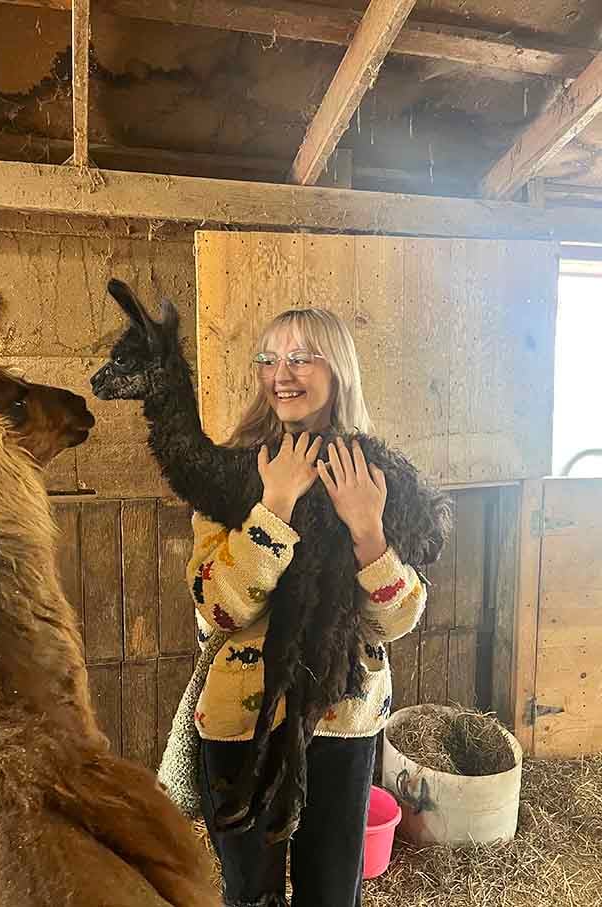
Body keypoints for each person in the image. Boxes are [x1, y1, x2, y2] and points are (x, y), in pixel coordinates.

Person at [186, 307, 427, 907]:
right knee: (249, 892)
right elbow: (215, 607)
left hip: (342, 717)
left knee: (331, 891)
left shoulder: (375, 474)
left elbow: (395, 621)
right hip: (243, 718)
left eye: (299, 357)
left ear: (338, 368)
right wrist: (274, 506)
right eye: (268, 359)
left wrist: (367, 528)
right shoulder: (232, 474)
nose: (280, 374)